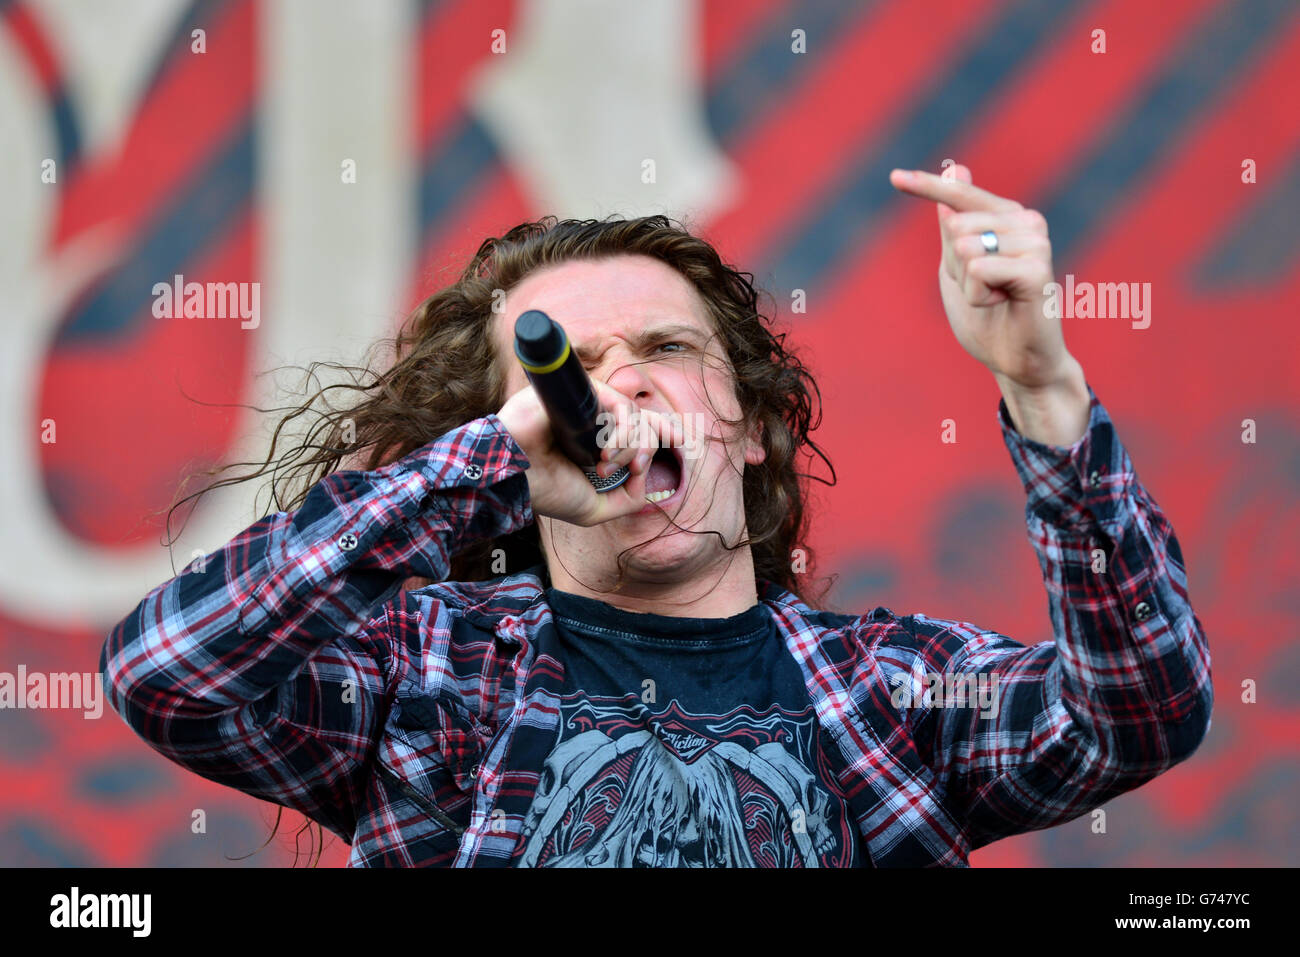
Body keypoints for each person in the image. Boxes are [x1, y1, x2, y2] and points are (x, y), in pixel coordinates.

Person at [100, 166, 1212, 867]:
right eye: (572, 371)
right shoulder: (425, 670)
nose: (621, 386)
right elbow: (168, 673)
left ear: (754, 426)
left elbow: (1138, 714)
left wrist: (1043, 388)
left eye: (666, 349)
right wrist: (479, 466)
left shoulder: (895, 690)